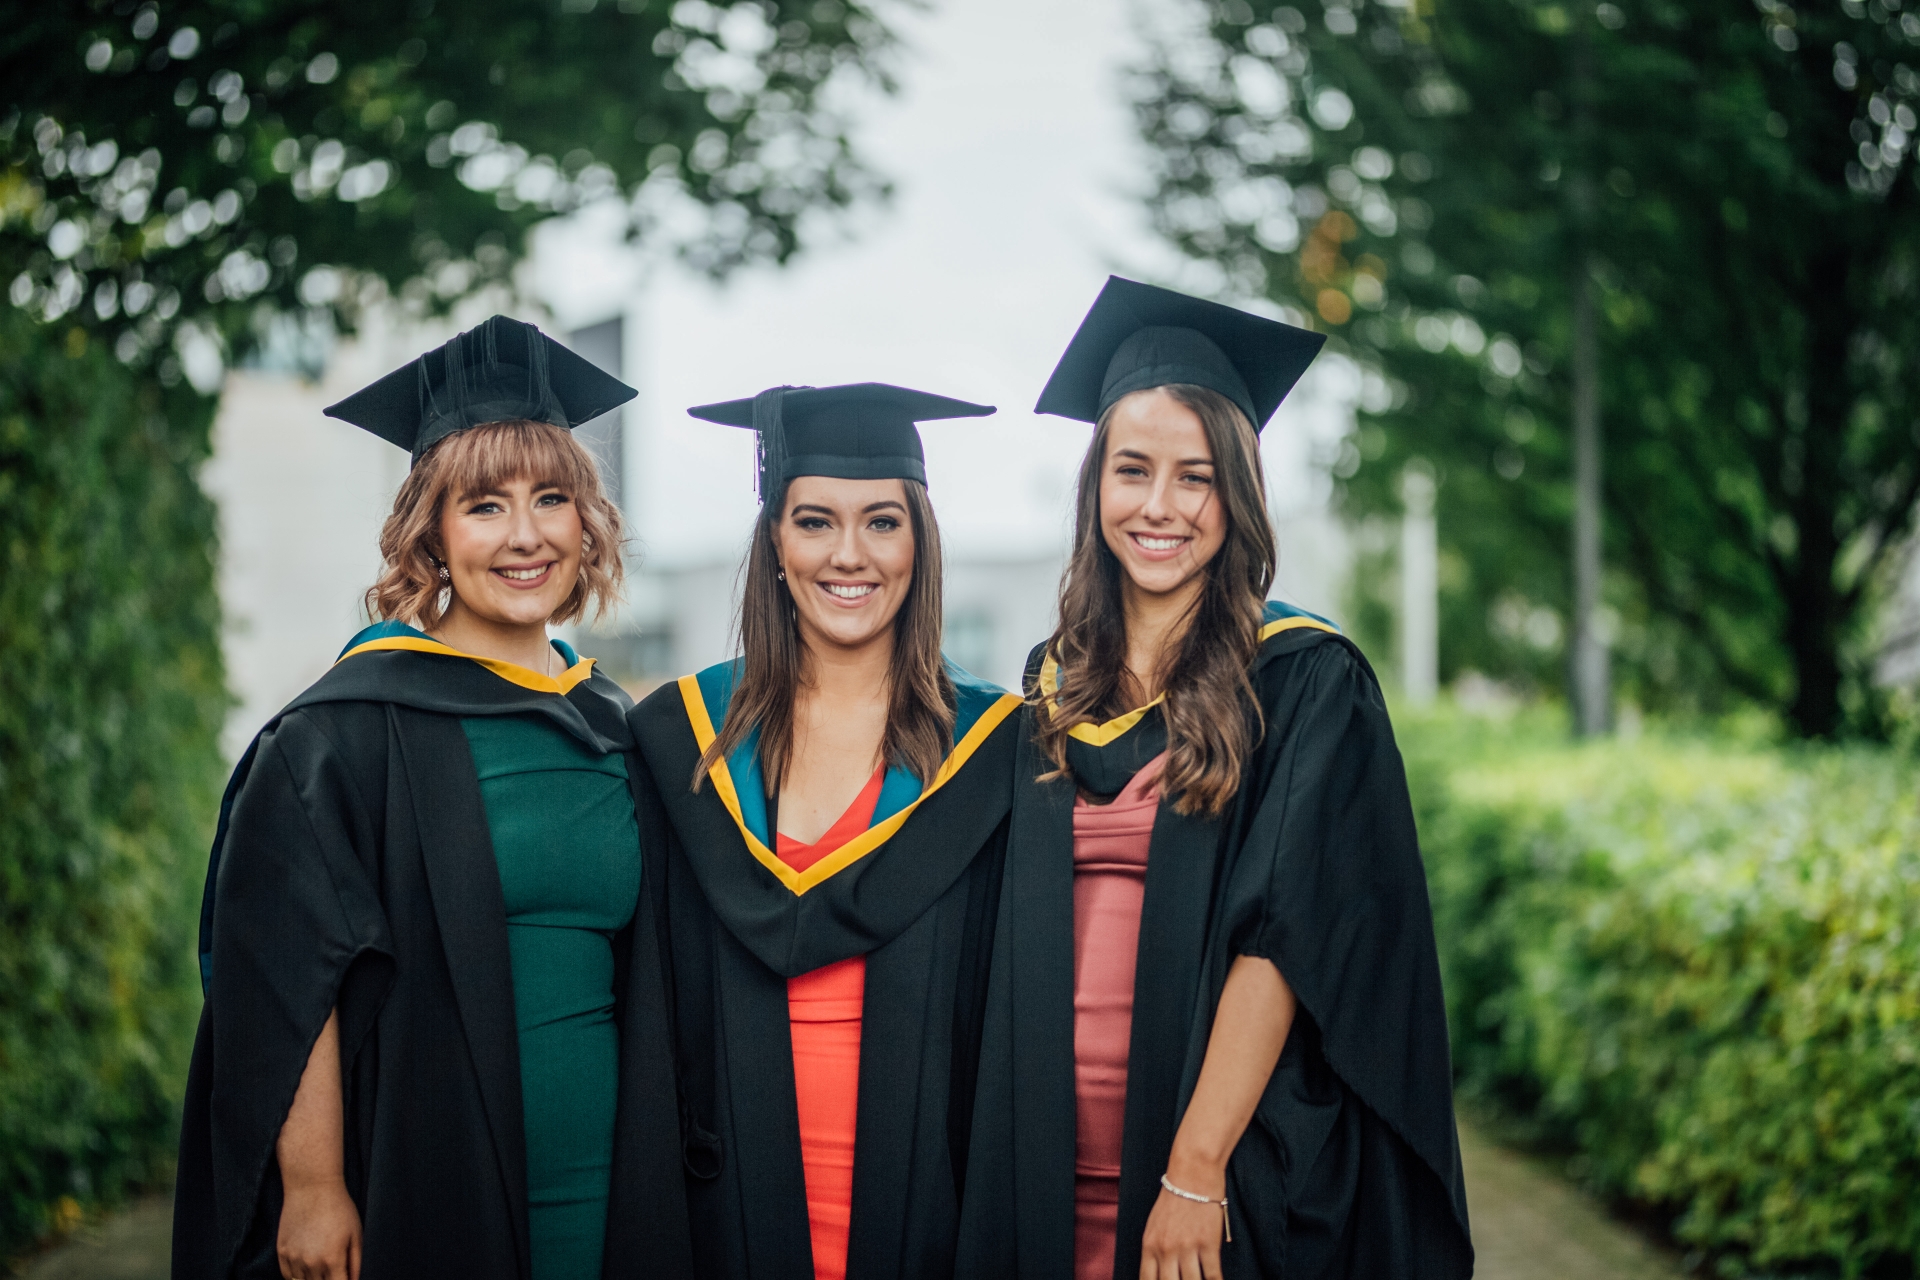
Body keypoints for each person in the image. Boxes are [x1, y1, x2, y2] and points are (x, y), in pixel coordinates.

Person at [957, 278, 1474, 1280]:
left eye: (1195, 476)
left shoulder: (1303, 678)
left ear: (1238, 495)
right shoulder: (1048, 681)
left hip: (1207, 1175)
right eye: (1133, 468)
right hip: (1044, 1163)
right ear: (1094, 485)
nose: (1160, 506)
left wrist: (1193, 1168)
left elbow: (1288, 935)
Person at [173, 316, 692, 1280]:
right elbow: (284, 979)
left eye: (551, 499)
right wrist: (316, 1187)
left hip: (610, 1185)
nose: (526, 535)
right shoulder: (344, 735)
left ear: (589, 523)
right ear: (433, 533)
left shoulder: (616, 729)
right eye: (484, 507)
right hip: (420, 1176)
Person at [627, 383, 1022, 1280]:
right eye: (815, 521)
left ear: (920, 543)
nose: (850, 555)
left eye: (883, 522)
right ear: (775, 543)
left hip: (928, 1202)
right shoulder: (680, 739)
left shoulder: (999, 751)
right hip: (723, 1197)